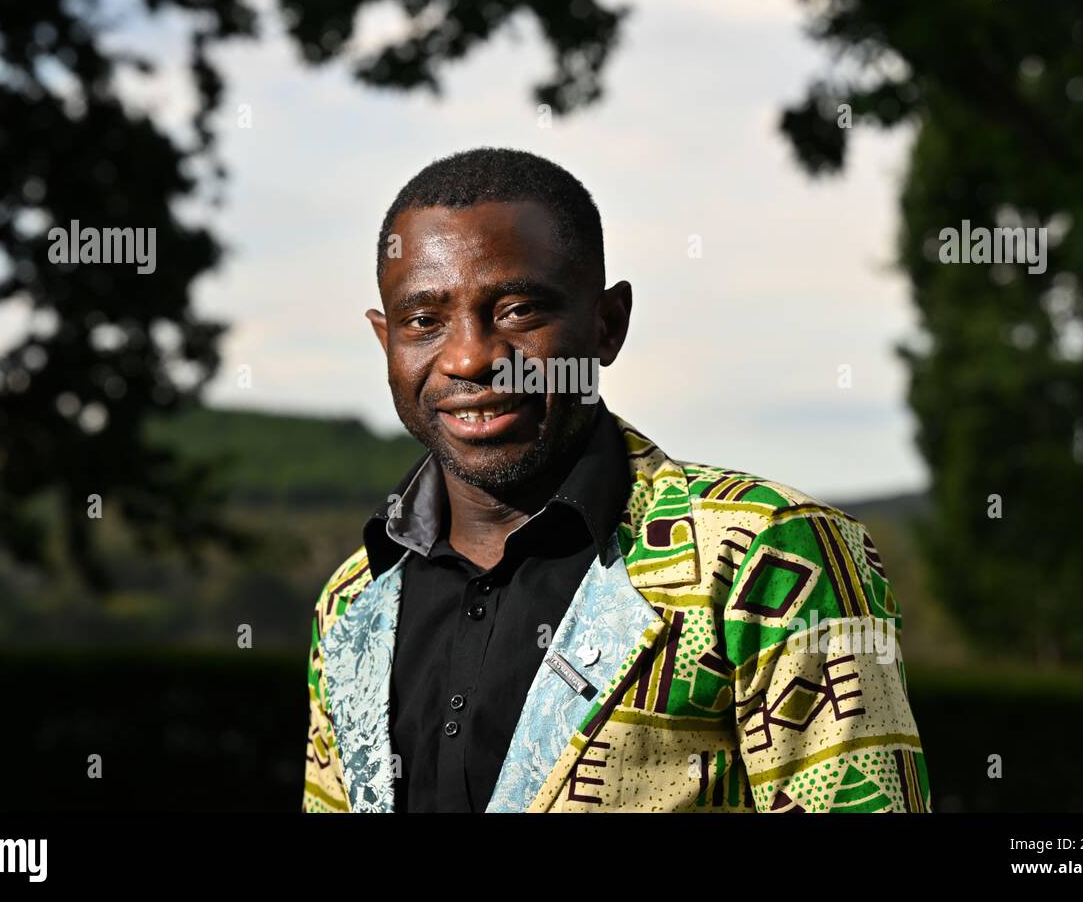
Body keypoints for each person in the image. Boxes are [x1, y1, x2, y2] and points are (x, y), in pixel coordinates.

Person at [302, 146, 931, 812]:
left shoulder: (764, 556)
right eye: (423, 321)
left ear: (607, 326)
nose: (469, 357)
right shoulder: (353, 599)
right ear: (386, 342)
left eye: (518, 311)